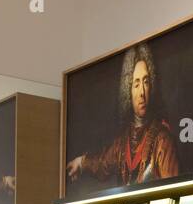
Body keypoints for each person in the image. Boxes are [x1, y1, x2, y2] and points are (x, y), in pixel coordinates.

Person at [66, 43, 179, 187]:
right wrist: (81, 162)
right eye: (136, 84)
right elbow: (103, 164)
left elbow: (173, 191)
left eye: (146, 82)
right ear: (128, 90)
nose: (142, 93)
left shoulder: (163, 140)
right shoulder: (123, 141)